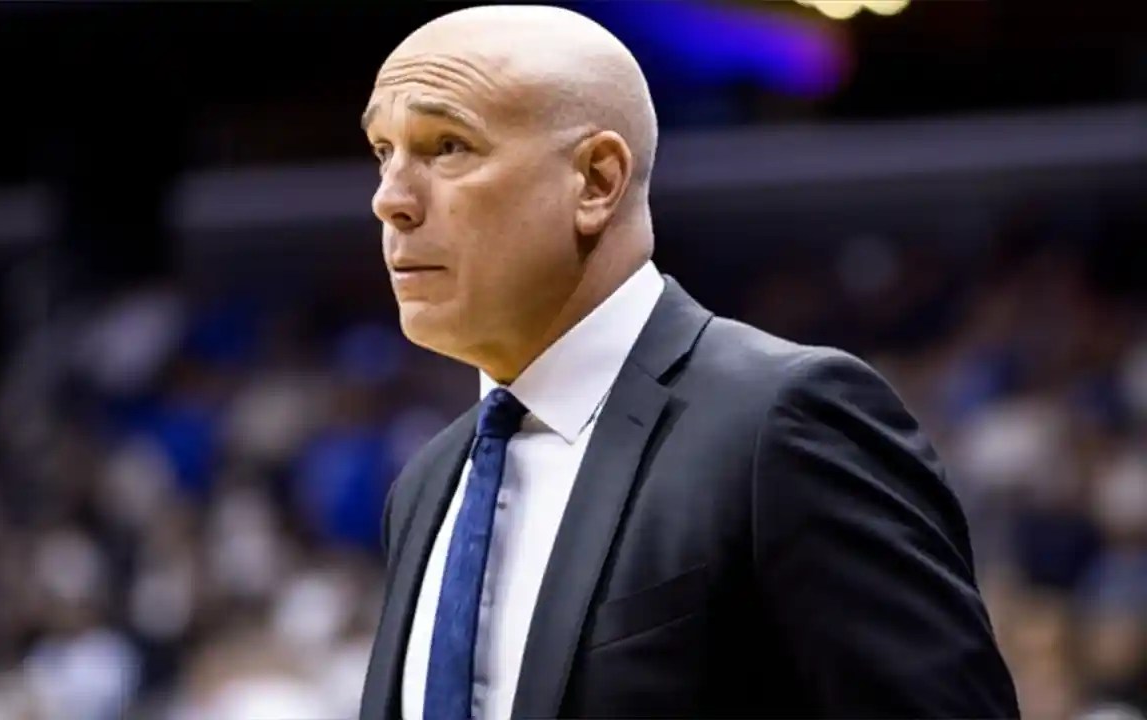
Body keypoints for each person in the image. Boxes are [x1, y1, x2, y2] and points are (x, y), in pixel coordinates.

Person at [358, 5, 1019, 719]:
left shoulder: (786, 421)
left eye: (447, 146)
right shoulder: (426, 484)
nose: (389, 198)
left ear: (596, 181)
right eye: (383, 152)